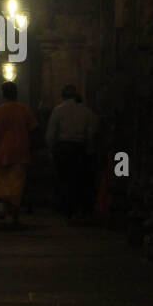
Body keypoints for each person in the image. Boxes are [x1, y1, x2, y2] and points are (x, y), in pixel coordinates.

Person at [0, 81, 39, 224]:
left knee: (1, 181)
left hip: (2, 151)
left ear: (3, 94)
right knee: (17, 183)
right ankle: (14, 211)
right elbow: (33, 128)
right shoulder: (24, 110)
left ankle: (3, 206)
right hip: (21, 151)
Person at [46, 84, 98, 218]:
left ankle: (64, 207)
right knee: (78, 179)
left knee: (63, 178)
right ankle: (77, 207)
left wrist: (51, 149)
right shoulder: (86, 112)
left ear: (63, 96)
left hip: (63, 148)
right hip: (79, 148)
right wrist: (90, 150)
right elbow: (91, 133)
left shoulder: (58, 110)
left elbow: (51, 133)